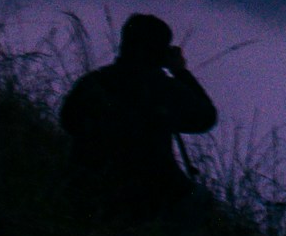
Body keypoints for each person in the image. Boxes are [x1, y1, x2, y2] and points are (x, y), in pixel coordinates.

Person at [59, 13, 219, 217]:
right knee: (200, 201)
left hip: (86, 191)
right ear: (160, 53)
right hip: (148, 200)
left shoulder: (92, 82)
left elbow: (67, 122)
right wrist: (180, 71)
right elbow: (206, 117)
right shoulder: (165, 91)